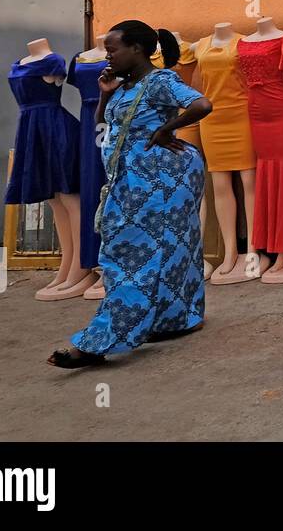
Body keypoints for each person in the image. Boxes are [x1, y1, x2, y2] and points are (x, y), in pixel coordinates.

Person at [48, 20, 213, 368]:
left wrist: (166, 129)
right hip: (128, 179)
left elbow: (202, 105)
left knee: (133, 255)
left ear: (137, 49)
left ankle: (101, 339)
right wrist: (105, 94)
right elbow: (103, 125)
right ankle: (176, 320)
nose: (108, 55)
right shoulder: (122, 85)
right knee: (165, 249)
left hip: (161, 181)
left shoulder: (161, 81)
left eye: (113, 49)